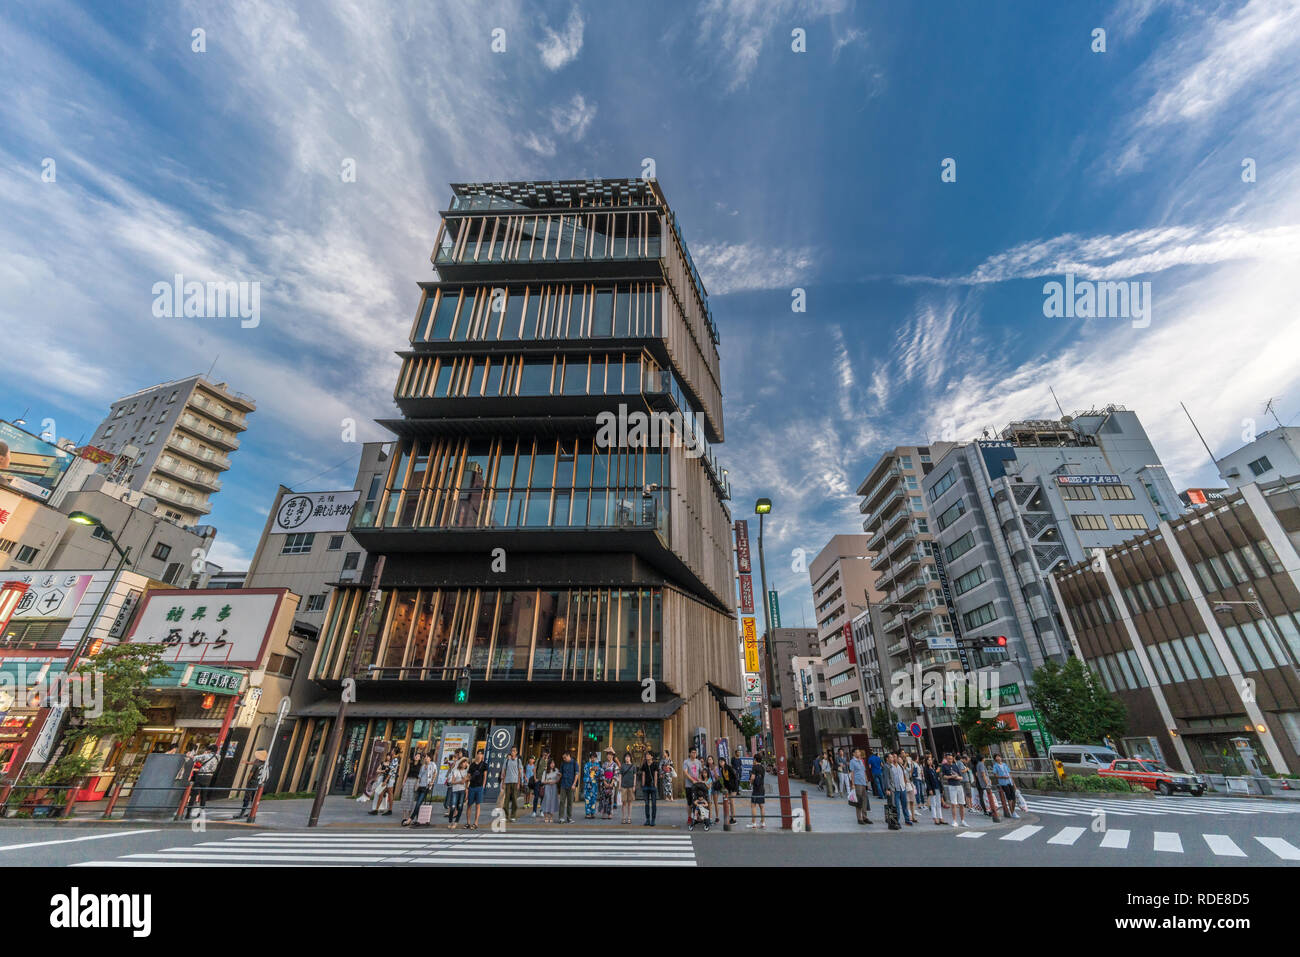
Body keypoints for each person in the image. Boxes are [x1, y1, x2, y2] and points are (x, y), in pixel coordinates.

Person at [403, 752, 435, 826]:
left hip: (426, 787)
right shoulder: (423, 766)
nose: (425, 758)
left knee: (418, 803)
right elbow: (419, 776)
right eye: (425, 757)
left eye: (427, 757)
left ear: (430, 758)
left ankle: (410, 819)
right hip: (420, 786)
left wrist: (432, 782)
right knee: (419, 803)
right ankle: (418, 820)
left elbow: (435, 773)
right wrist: (417, 784)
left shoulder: (432, 765)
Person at [187, 744, 219, 818]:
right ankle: (201, 813)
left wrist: (189, 755)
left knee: (194, 795)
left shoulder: (205, 756)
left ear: (209, 750)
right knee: (203, 795)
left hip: (201, 776)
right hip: (209, 777)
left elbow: (194, 758)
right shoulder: (218, 757)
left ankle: (188, 813)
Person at [233, 748, 267, 820]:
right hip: (259, 783)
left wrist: (247, 781)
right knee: (254, 798)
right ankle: (252, 812)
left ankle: (242, 813)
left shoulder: (256, 764)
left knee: (247, 797)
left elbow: (251, 774)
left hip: (252, 782)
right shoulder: (265, 763)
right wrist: (247, 762)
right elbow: (255, 763)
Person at [885, 753, 913, 826]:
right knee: (896, 807)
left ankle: (907, 820)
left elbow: (904, 775)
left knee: (905, 806)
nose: (894, 758)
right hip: (895, 789)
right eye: (892, 757)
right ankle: (896, 821)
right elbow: (887, 779)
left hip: (902, 788)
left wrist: (905, 783)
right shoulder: (890, 767)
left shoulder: (900, 766)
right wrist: (887, 789)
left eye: (895, 757)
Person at [941, 753, 968, 827]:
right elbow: (944, 776)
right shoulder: (944, 766)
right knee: (953, 804)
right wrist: (951, 777)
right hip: (952, 786)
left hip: (959, 785)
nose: (950, 760)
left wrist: (957, 777)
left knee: (962, 803)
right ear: (946, 759)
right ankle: (954, 820)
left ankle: (962, 820)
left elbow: (961, 777)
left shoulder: (955, 765)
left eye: (951, 758)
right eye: (948, 758)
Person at [464, 747, 488, 829]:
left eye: (481, 754)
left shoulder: (484, 765)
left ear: (483, 756)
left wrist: (483, 786)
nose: (479, 755)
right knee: (469, 805)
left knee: (478, 805)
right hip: (472, 787)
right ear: (476, 754)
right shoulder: (472, 765)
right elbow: (468, 775)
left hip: (479, 787)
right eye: (478, 753)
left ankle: (476, 823)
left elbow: (485, 776)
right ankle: (468, 823)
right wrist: (466, 787)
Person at [500, 745, 524, 823]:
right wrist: (503, 782)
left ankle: (513, 816)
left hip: (515, 781)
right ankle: (506, 816)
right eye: (512, 750)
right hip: (507, 782)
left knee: (514, 799)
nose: (512, 752)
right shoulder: (506, 760)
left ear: (516, 752)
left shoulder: (518, 761)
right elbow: (503, 771)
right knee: (506, 799)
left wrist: (519, 783)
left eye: (514, 751)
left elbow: (520, 773)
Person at [849, 748, 873, 825]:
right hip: (857, 783)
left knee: (865, 800)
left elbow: (864, 771)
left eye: (859, 752)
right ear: (853, 754)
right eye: (856, 752)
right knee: (859, 801)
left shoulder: (861, 761)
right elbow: (852, 773)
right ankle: (859, 818)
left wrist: (866, 780)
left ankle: (865, 817)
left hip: (863, 783)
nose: (858, 753)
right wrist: (852, 784)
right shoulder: (852, 762)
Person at [445, 753, 469, 828]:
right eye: (464, 762)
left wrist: (466, 791)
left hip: (462, 791)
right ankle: (450, 821)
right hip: (455, 790)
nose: (465, 764)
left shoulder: (466, 772)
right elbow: (452, 782)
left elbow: (467, 782)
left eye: (466, 762)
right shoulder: (455, 771)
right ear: (460, 763)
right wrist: (460, 782)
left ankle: (456, 822)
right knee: (452, 806)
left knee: (460, 806)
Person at [993, 753, 1019, 818]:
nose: (998, 758)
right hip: (1003, 783)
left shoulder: (1004, 764)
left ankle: (1013, 811)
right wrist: (1002, 777)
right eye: (997, 757)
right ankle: (1012, 812)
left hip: (1010, 782)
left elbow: (1010, 774)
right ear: (995, 759)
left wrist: (1014, 784)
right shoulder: (995, 766)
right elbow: (995, 775)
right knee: (1009, 798)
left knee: (1014, 798)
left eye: (999, 756)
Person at [638, 750, 660, 826]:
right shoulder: (644, 765)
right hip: (646, 787)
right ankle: (647, 819)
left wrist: (655, 785)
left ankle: (653, 820)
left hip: (652, 786)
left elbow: (656, 775)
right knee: (646, 804)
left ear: (652, 756)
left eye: (648, 755)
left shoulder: (655, 764)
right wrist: (643, 785)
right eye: (646, 755)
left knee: (654, 804)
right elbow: (643, 775)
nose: (647, 756)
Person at [923, 755, 945, 825]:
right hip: (932, 788)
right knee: (933, 804)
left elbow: (937, 778)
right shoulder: (926, 769)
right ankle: (935, 818)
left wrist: (941, 788)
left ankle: (940, 818)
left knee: (939, 803)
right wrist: (929, 789)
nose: (930, 761)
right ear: (926, 761)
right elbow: (927, 780)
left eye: (931, 760)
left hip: (937, 787)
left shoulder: (933, 768)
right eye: (928, 760)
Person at [558, 750, 578, 823]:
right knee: (562, 801)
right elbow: (561, 772)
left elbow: (576, 774)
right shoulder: (563, 763)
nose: (564, 759)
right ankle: (561, 818)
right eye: (563, 758)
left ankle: (569, 818)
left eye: (565, 757)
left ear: (569, 756)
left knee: (570, 802)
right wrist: (558, 774)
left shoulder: (574, 763)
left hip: (571, 785)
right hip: (563, 784)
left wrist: (574, 784)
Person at [718, 757, 739, 825]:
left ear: (724, 762)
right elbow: (725, 780)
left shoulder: (729, 768)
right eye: (720, 762)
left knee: (732, 802)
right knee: (730, 802)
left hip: (734, 787)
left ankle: (734, 818)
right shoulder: (722, 770)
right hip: (729, 788)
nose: (721, 763)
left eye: (722, 761)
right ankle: (732, 817)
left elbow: (735, 777)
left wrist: (736, 787)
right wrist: (725, 787)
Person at [748, 752, 767, 828]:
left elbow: (752, 777)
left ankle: (754, 823)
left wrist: (750, 782)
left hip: (756, 788)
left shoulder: (754, 767)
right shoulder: (762, 768)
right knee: (761, 806)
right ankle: (763, 823)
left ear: (755, 759)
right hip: (762, 788)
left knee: (753, 805)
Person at [581, 751, 602, 819]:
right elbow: (585, 773)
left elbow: (599, 774)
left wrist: (596, 771)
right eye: (592, 758)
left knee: (594, 799)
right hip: (588, 785)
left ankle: (592, 813)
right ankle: (588, 813)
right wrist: (591, 769)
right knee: (587, 799)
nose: (593, 759)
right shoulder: (587, 765)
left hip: (594, 785)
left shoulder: (598, 765)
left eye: (594, 758)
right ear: (590, 758)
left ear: (596, 758)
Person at [619, 752, 638, 824]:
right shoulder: (622, 766)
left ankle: (629, 817)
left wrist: (634, 785)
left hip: (630, 786)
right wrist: (620, 785)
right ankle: (623, 817)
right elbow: (620, 776)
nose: (627, 758)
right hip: (623, 786)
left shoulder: (633, 766)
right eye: (626, 757)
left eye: (628, 757)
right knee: (623, 803)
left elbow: (635, 776)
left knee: (630, 803)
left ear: (630, 758)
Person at [599, 749, 618, 819]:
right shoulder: (604, 764)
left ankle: (610, 813)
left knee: (610, 799)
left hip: (611, 783)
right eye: (608, 755)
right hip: (605, 783)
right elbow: (602, 773)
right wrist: (604, 782)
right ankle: (604, 812)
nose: (609, 756)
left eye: (610, 755)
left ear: (612, 756)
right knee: (603, 798)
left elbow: (615, 774)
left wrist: (612, 783)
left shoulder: (614, 765)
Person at [541, 758, 561, 823]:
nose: (552, 764)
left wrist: (555, 780)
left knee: (553, 801)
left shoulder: (556, 770)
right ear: (549, 764)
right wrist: (548, 782)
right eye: (551, 763)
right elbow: (542, 781)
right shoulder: (545, 771)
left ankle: (551, 817)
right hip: (547, 787)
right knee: (547, 801)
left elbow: (558, 779)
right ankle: (546, 816)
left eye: (553, 763)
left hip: (554, 787)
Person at [704, 754, 721, 822]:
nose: (710, 761)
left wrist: (714, 770)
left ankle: (717, 817)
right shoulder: (706, 768)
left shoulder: (716, 767)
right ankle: (710, 817)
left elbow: (717, 777)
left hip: (715, 785)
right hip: (708, 786)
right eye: (708, 759)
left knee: (716, 802)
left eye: (711, 759)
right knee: (709, 802)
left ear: (713, 760)